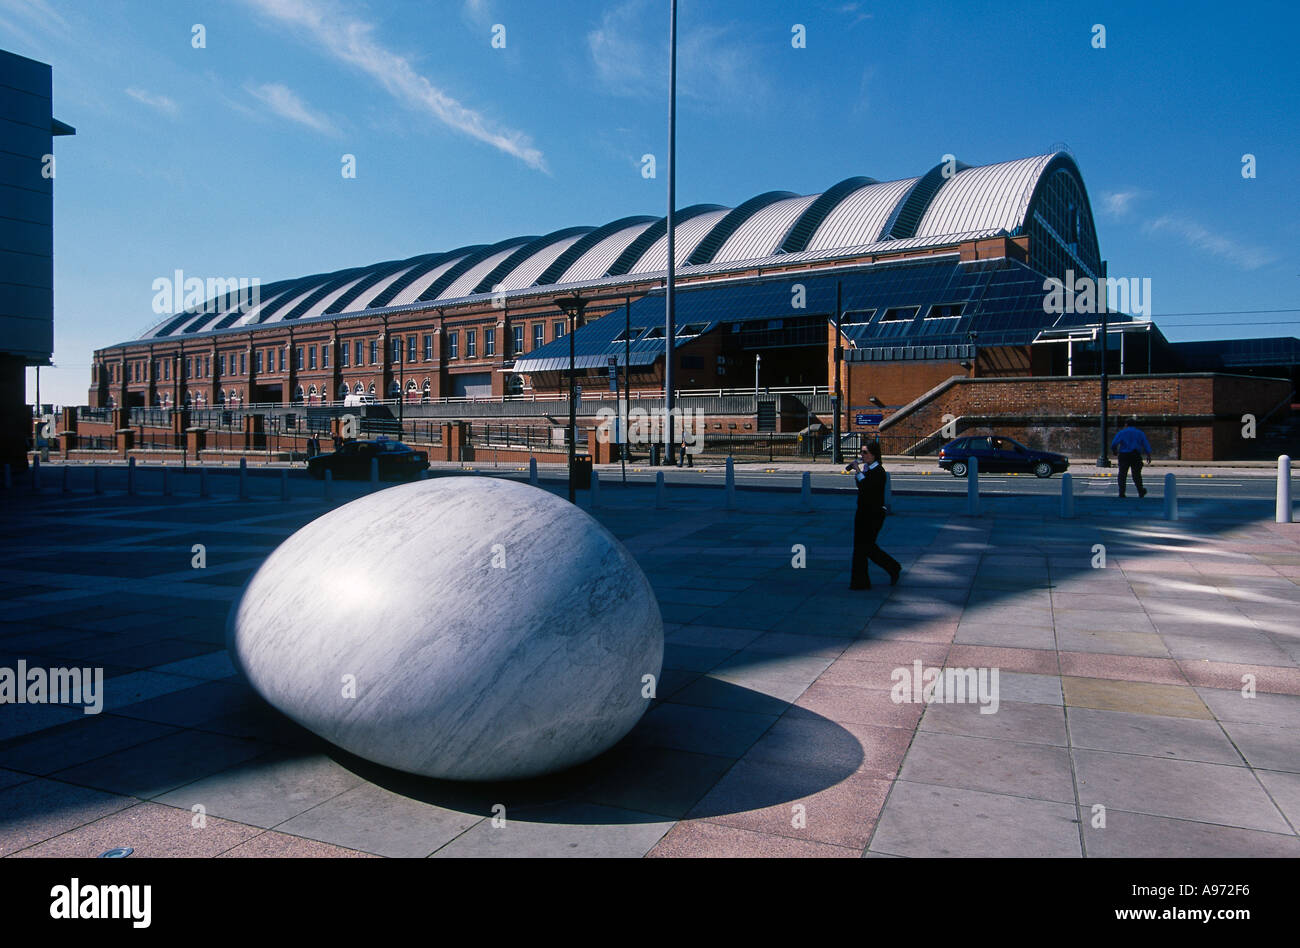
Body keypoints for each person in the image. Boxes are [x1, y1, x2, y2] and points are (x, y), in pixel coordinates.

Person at [847, 440, 901, 590]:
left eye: (865, 452)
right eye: (861, 452)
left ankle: (893, 567)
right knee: (860, 548)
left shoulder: (879, 472)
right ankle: (860, 582)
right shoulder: (868, 470)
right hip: (862, 512)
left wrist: (857, 471)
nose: (862, 455)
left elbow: (866, 488)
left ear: (874, 454)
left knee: (867, 547)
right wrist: (861, 472)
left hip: (874, 514)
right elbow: (861, 487)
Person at [1111, 417, 1152, 498]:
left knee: (1122, 474)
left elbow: (1114, 443)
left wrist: (1115, 451)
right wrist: (1148, 455)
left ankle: (1122, 492)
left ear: (1126, 424)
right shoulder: (1139, 433)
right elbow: (1145, 444)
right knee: (1136, 474)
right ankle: (1140, 491)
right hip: (1135, 455)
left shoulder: (1122, 432)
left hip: (1124, 455)